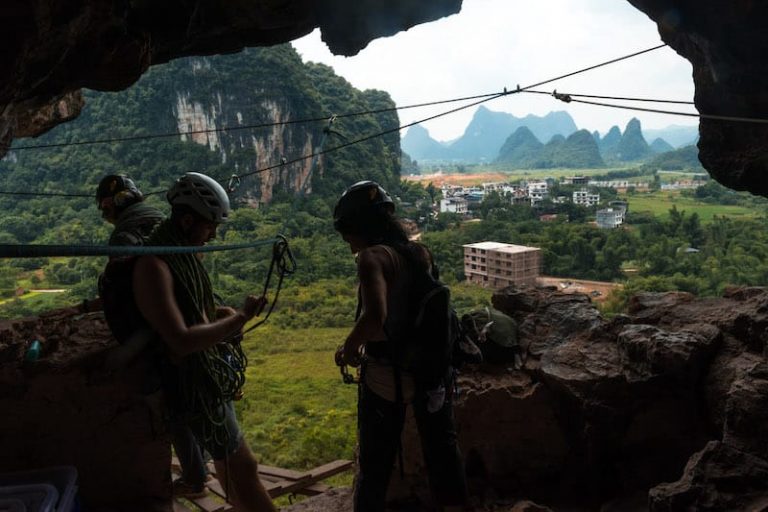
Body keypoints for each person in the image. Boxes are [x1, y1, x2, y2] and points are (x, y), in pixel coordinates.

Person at [132, 172, 275, 512]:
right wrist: (239, 318)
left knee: (230, 465)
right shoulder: (154, 266)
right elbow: (180, 340)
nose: (213, 235)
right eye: (210, 226)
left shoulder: (182, 255)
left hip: (202, 375)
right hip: (189, 382)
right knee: (244, 466)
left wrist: (219, 315)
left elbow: (195, 311)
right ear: (186, 221)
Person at [333, 181, 470, 512]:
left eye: (346, 233)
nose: (346, 241)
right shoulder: (419, 252)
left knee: (375, 463)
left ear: (357, 227)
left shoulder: (372, 258)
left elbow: (374, 317)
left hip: (387, 376)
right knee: (442, 452)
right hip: (431, 371)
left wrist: (348, 348)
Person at [96, 174, 211, 499]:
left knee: (172, 408)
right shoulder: (160, 222)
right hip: (188, 317)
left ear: (109, 207)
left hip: (155, 328)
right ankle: (202, 464)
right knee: (192, 396)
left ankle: (195, 478)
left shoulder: (124, 235)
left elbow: (132, 291)